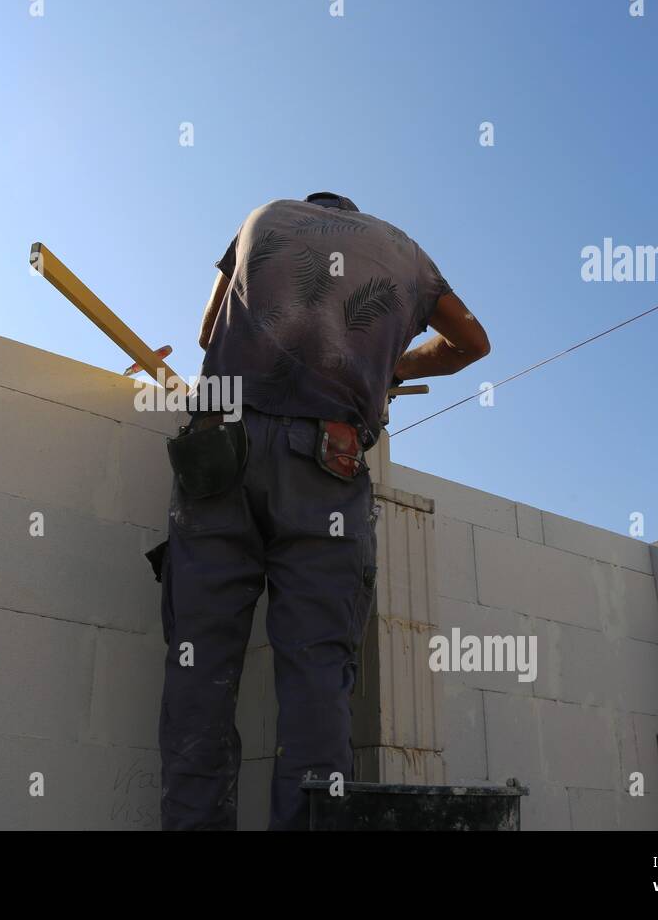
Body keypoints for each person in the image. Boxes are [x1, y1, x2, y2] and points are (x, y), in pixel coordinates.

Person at [157, 191, 490, 830]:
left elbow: (208, 331)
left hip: (220, 449)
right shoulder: (407, 253)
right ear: (357, 214)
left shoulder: (262, 220)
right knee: (316, 680)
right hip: (327, 464)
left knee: (198, 669)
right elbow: (472, 341)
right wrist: (390, 364)